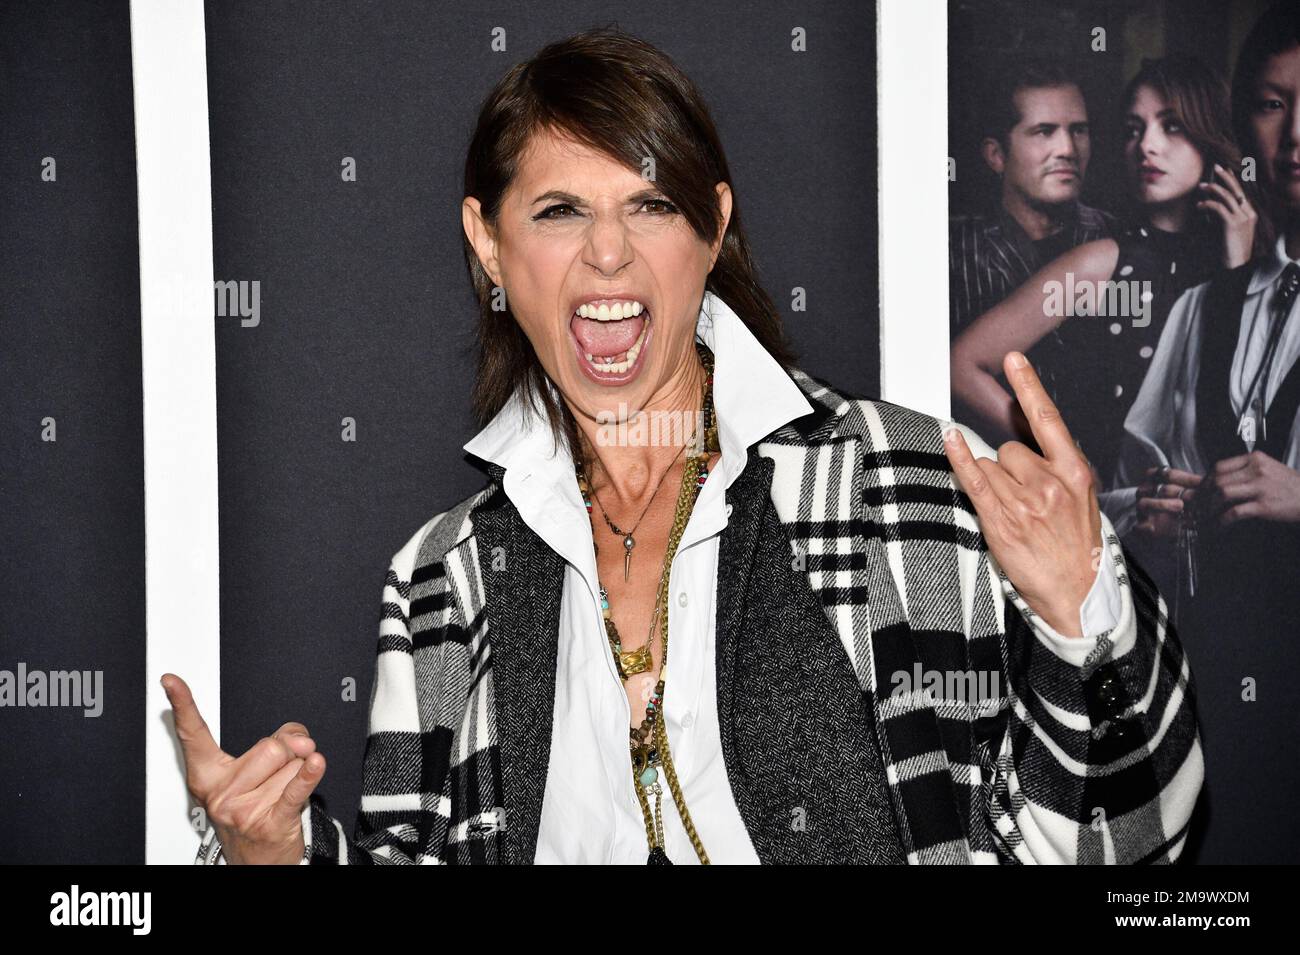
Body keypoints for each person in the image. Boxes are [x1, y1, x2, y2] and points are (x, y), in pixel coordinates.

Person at [165, 27, 1201, 865]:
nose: (608, 252)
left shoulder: (908, 483)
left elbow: (1133, 848)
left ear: (711, 229)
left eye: (650, 204)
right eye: (560, 209)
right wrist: (275, 858)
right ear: (488, 242)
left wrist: (1084, 624)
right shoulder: (442, 577)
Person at [1112, 1, 1300, 863]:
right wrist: (1149, 517)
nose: (1296, 132)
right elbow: (1130, 486)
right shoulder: (1201, 308)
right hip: (1213, 695)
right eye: (1271, 103)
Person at [951, 57, 1262, 563]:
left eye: (1173, 126)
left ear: (1210, 136)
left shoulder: (1260, 264)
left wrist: (1237, 267)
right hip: (1120, 540)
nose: (1148, 145)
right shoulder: (1102, 260)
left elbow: (1243, 421)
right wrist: (1065, 455)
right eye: (1134, 130)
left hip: (1231, 550)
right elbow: (962, 365)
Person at [949, 58, 1116, 339]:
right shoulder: (955, 254)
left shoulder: (1119, 236)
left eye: (1078, 130)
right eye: (1044, 131)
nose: (1067, 149)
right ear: (997, 156)